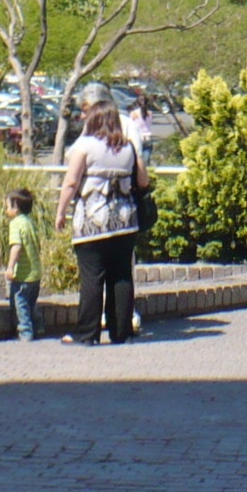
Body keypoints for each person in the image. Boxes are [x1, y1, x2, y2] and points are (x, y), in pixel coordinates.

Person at [56, 93, 151, 345]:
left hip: (92, 223)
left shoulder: (85, 146)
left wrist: (61, 212)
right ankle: (122, 332)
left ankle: (87, 334)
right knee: (121, 277)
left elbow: (71, 182)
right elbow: (143, 181)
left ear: (94, 120)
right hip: (125, 221)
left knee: (92, 278)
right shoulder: (128, 148)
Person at [6, 186, 42, 341]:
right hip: (35, 273)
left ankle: (25, 332)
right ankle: (38, 327)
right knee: (31, 303)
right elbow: (37, 245)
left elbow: (16, 246)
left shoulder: (16, 224)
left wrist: (10, 266)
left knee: (20, 303)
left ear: (16, 208)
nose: (6, 210)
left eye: (7, 207)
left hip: (22, 274)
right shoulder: (30, 223)